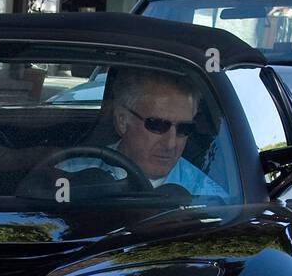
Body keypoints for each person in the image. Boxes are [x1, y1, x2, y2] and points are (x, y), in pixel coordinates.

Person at [59, 68, 227, 198]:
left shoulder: (207, 197)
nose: (171, 143)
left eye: (184, 128)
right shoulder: (72, 174)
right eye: (158, 125)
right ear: (122, 121)